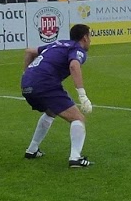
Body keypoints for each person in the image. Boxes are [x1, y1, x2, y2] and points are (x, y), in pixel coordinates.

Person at [20, 23, 94, 168]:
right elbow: (74, 65)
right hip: (45, 84)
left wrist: (26, 73)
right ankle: (75, 159)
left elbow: (29, 51)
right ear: (84, 37)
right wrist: (82, 95)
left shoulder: (58, 43)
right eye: (89, 36)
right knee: (78, 118)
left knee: (51, 111)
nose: (90, 40)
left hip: (26, 84)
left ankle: (32, 149)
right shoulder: (77, 49)